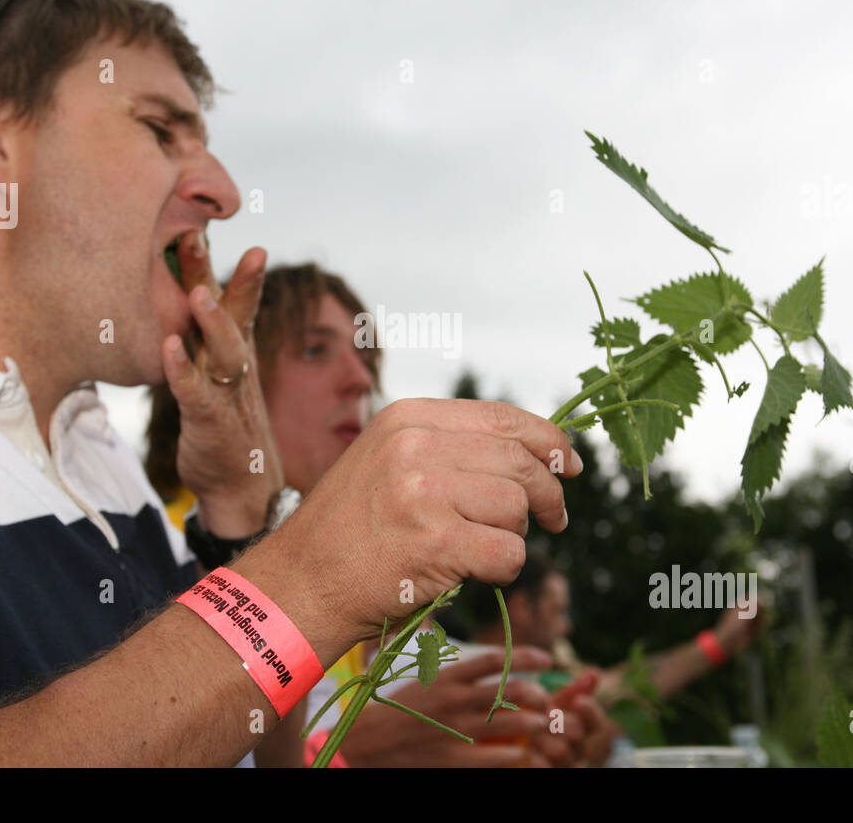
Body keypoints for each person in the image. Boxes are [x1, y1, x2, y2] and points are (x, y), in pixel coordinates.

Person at [0, 0, 581, 767]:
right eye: (160, 129)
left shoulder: (95, 459)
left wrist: (240, 519)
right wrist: (310, 575)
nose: (222, 190)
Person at [147, 263, 614, 766]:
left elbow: (427, 705)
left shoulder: (354, 560)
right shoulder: (156, 547)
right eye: (314, 350)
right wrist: (346, 755)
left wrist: (532, 722)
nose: (359, 379)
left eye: (366, 357)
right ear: (227, 372)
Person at [463, 551, 765, 707]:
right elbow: (626, 690)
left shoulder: (521, 674)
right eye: (558, 612)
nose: (566, 627)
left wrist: (720, 641)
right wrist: (720, 642)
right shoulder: (501, 683)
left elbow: (621, 677)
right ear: (521, 609)